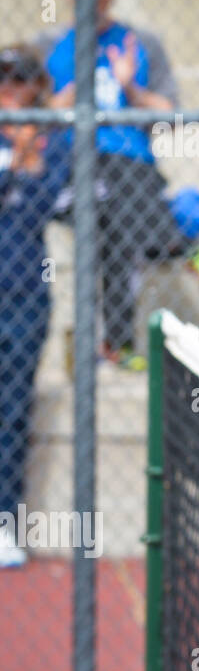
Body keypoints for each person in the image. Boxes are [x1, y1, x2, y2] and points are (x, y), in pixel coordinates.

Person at [44, 0, 187, 369]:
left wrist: (132, 90)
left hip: (130, 163)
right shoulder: (49, 45)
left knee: (112, 209)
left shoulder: (142, 44)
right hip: (71, 164)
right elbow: (27, 120)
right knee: (118, 210)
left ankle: (111, 344)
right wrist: (69, 95)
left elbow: (172, 117)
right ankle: (173, 242)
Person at [0, 45, 68, 568]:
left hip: (24, 295)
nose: (11, 92)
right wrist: (14, 163)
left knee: (12, 409)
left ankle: (4, 521)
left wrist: (30, 157)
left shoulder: (54, 141)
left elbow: (48, 203)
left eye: (21, 82)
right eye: (4, 80)